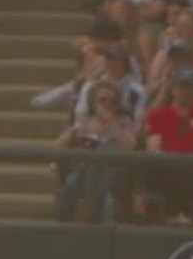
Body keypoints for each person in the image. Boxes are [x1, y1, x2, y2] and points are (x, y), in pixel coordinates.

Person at [143, 68, 193, 225]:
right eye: (181, 86)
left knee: (185, 170)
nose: (185, 91)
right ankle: (184, 208)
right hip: (165, 170)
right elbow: (154, 150)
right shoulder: (158, 115)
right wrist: (176, 162)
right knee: (172, 168)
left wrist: (191, 161)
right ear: (173, 89)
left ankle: (174, 212)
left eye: (189, 87)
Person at [54, 79, 138, 224]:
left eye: (112, 101)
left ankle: (105, 233)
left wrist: (111, 123)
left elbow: (131, 146)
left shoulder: (124, 121)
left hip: (114, 169)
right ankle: (61, 227)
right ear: (93, 102)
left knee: (107, 188)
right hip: (85, 170)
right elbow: (57, 146)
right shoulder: (85, 122)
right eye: (102, 100)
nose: (107, 104)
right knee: (70, 183)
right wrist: (74, 130)